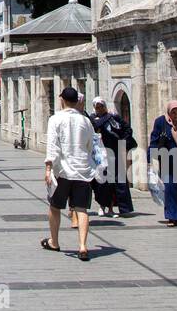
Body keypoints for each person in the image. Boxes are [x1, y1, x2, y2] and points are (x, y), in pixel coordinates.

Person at [42, 86, 96, 260]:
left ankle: (55, 242)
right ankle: (82, 246)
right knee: (82, 209)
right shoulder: (86, 121)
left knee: (55, 206)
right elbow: (90, 145)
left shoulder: (55, 119)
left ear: (62, 99)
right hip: (82, 170)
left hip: (62, 171)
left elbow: (52, 145)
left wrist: (48, 168)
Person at [149, 100, 177, 226]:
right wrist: (150, 159)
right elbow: (154, 139)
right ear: (169, 112)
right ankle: (172, 216)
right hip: (165, 160)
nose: (176, 115)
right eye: (173, 112)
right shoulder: (161, 122)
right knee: (170, 188)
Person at [88, 97, 121, 217]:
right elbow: (95, 125)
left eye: (101, 106)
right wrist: (107, 117)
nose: (100, 109)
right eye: (97, 107)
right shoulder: (92, 118)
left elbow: (119, 128)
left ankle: (111, 208)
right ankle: (101, 206)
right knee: (100, 183)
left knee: (111, 183)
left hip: (110, 153)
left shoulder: (111, 118)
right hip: (98, 156)